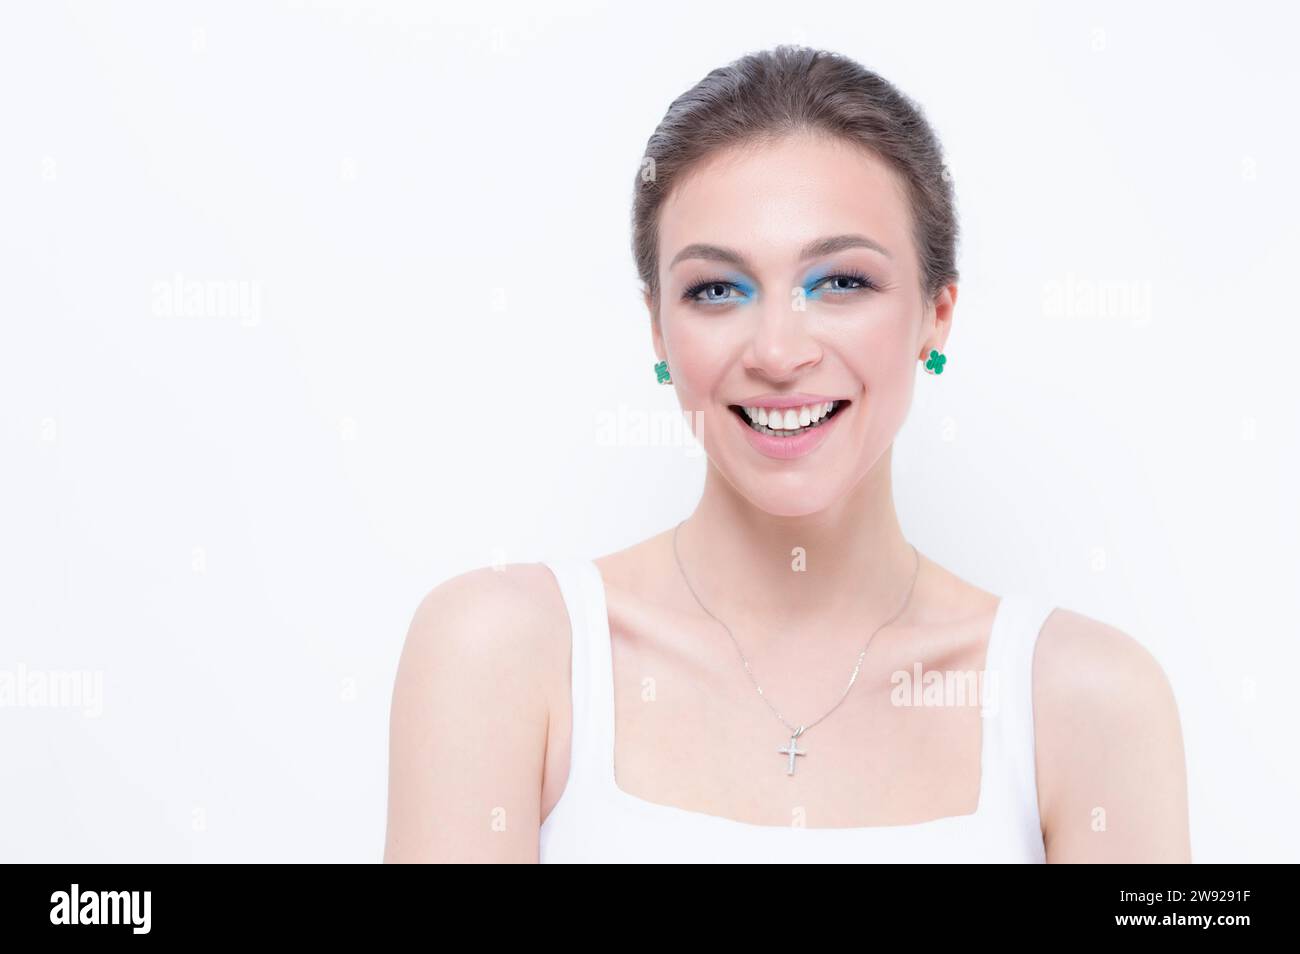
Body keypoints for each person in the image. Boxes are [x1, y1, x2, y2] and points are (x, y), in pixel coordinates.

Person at [383, 44, 1190, 863]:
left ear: (936, 315)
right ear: (659, 328)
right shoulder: (502, 652)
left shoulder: (1088, 702)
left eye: (841, 282)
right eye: (716, 289)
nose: (777, 351)